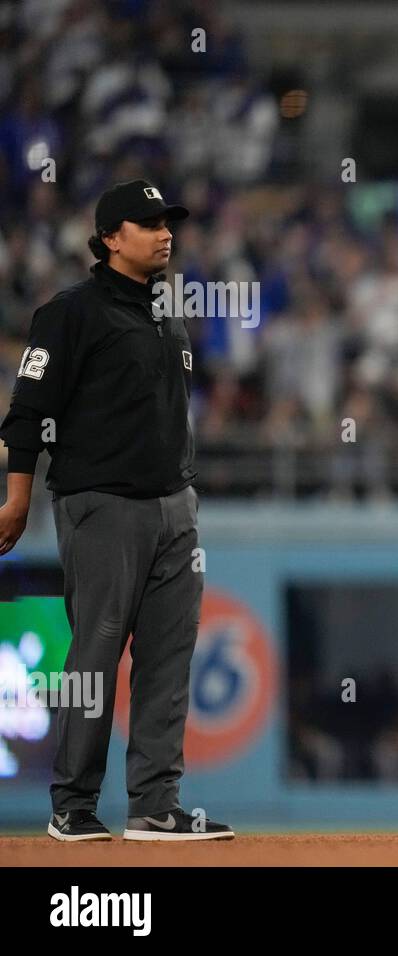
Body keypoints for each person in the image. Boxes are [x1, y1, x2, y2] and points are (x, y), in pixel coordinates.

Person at [0, 179, 234, 842]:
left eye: (167, 222)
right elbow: (27, 413)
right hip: (101, 505)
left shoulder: (168, 313)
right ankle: (72, 806)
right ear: (109, 238)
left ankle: (155, 805)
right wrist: (17, 497)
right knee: (95, 659)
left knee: (168, 657)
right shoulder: (69, 313)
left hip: (173, 507)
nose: (164, 232)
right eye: (147, 222)